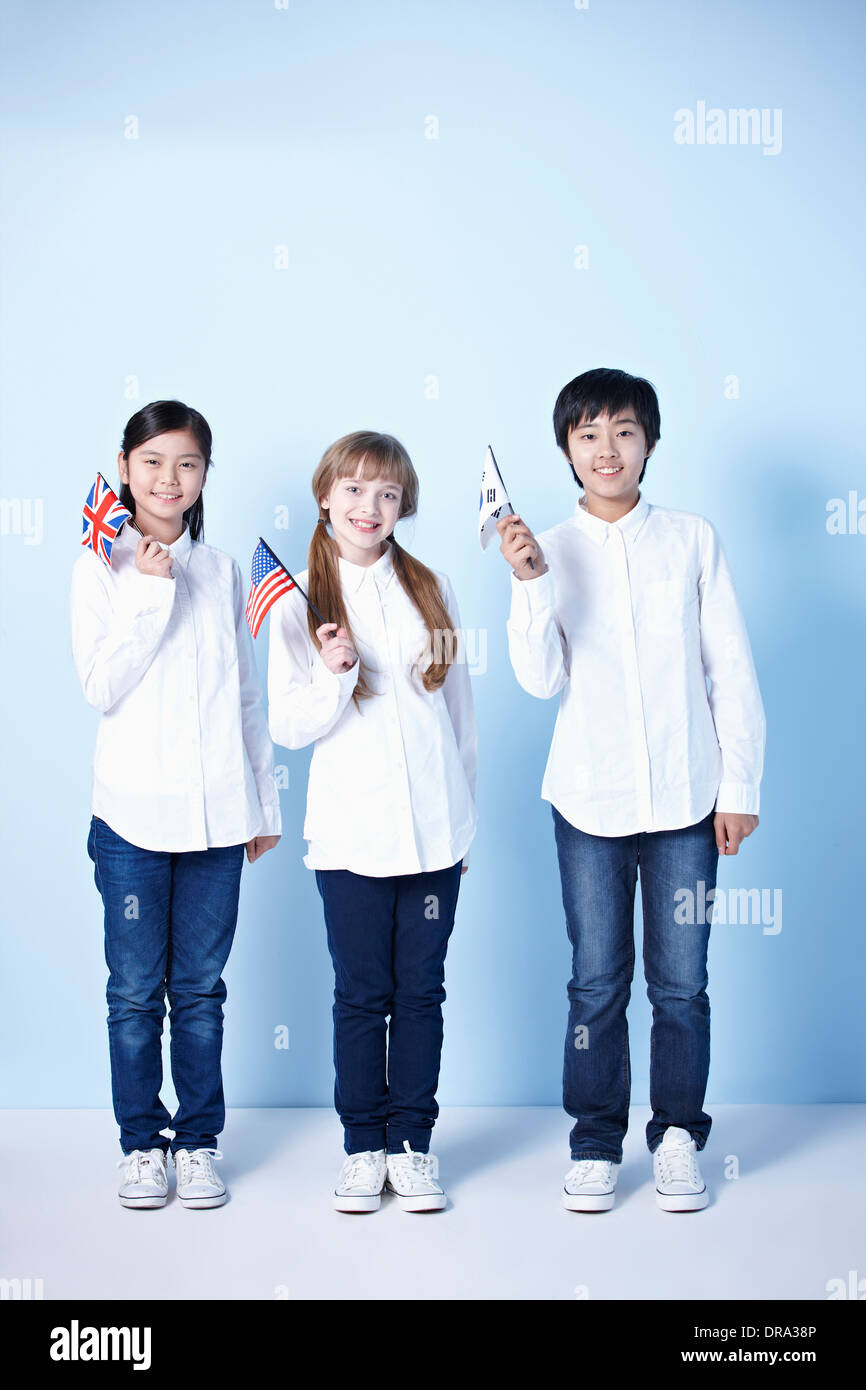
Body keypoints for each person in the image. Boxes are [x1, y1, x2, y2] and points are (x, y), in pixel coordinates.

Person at [497, 367, 765, 1213]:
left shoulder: (691, 538)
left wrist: (740, 784)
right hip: (589, 800)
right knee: (595, 981)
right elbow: (539, 681)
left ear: (649, 440)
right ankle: (595, 1141)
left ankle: (679, 1133)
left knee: (681, 981)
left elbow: (729, 667)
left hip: (689, 798)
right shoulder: (547, 545)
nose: (605, 450)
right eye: (587, 435)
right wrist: (531, 583)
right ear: (566, 450)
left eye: (621, 431)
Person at [71, 399, 281, 1210]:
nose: (169, 478)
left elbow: (246, 698)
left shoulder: (225, 570)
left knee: (199, 989)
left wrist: (262, 804)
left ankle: (197, 1141)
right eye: (153, 461)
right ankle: (140, 1144)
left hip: (217, 819)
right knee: (133, 992)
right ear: (125, 468)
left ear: (203, 478)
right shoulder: (100, 567)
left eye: (186, 464)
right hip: (129, 819)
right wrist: (148, 593)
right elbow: (101, 685)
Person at [268, 431, 476, 1213]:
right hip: (351, 837)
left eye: (387, 494)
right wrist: (332, 674)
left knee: (422, 992)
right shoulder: (299, 601)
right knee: (361, 995)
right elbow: (289, 726)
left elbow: (460, 719)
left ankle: (412, 1146)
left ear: (403, 507)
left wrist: (466, 827)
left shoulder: (436, 588)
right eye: (353, 489)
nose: (369, 506)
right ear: (326, 495)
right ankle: (363, 1147)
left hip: (434, 834)